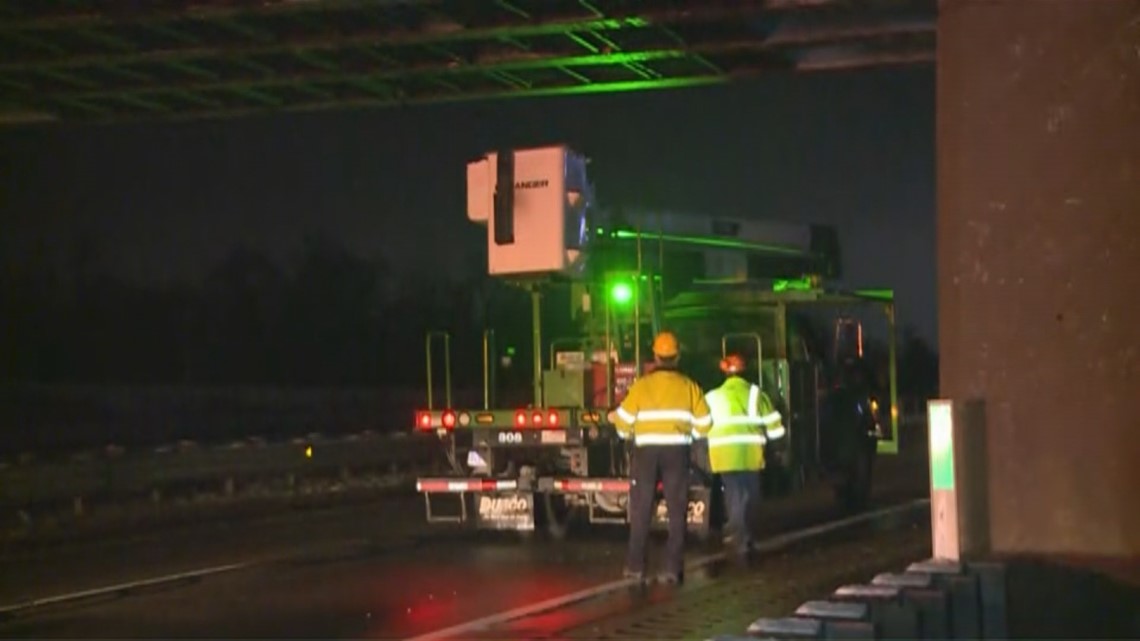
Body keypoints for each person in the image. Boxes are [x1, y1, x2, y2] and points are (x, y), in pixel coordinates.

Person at [609, 330, 712, 584]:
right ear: (677, 357)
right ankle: (672, 569)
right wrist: (688, 434)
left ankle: (635, 567)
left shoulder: (642, 386)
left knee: (641, 509)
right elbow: (705, 425)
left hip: (645, 453)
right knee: (677, 511)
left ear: (655, 356)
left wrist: (627, 433)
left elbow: (622, 423)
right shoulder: (689, 387)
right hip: (676, 452)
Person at [703, 354, 785, 556]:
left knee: (733, 496)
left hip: (723, 455)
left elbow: (702, 426)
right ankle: (742, 536)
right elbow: (774, 426)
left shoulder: (712, 396)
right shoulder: (756, 394)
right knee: (750, 496)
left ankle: (738, 533)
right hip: (750, 454)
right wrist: (778, 445)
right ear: (745, 371)